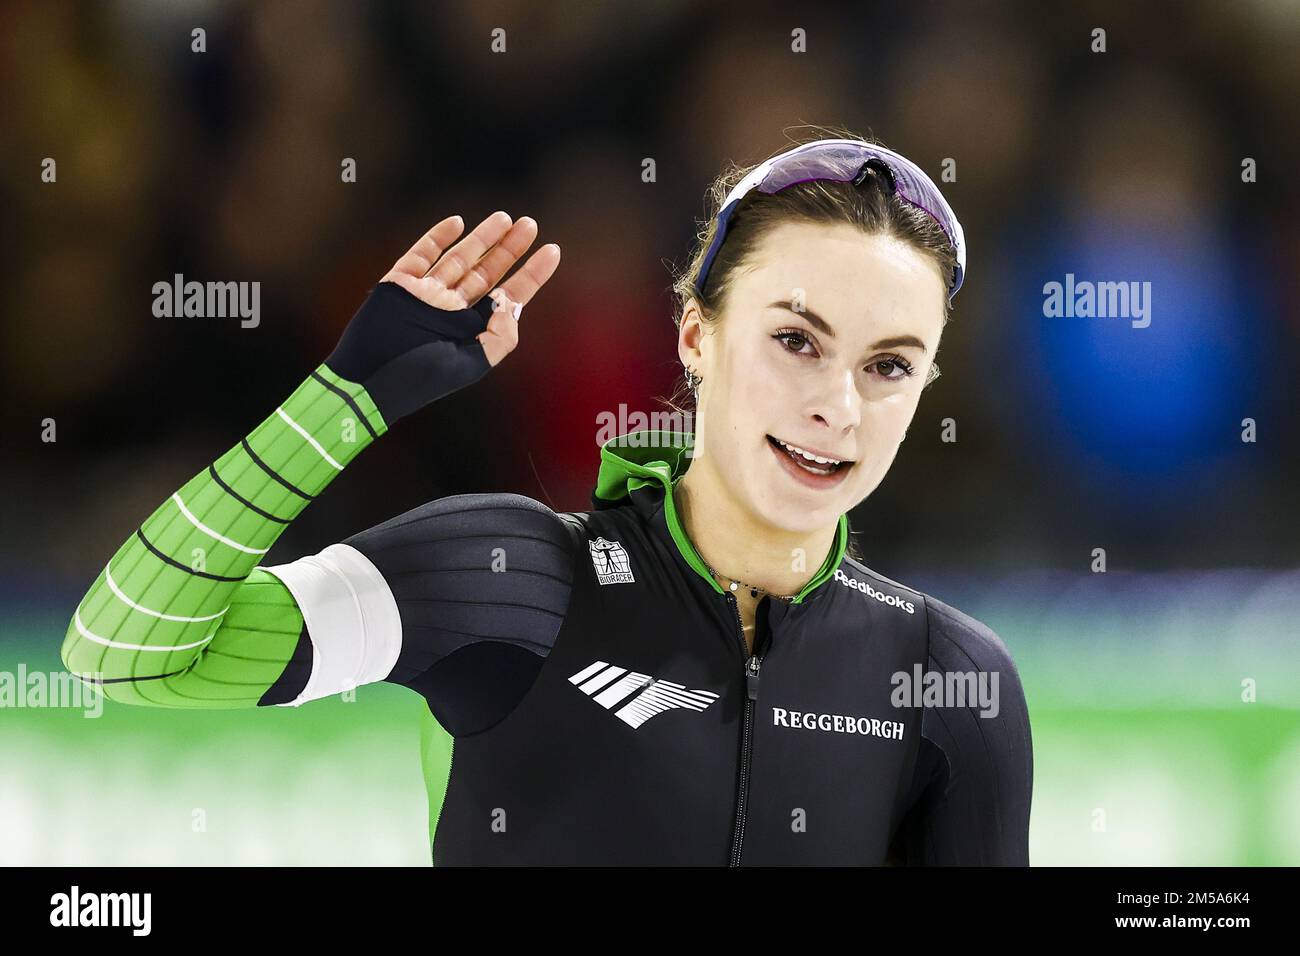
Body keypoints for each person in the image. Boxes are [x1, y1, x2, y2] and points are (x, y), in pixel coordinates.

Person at [62, 131, 1033, 866]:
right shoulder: (513, 575)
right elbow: (122, 650)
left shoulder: (946, 678)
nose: (837, 406)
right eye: (795, 340)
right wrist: (344, 401)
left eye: (889, 364)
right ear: (695, 336)